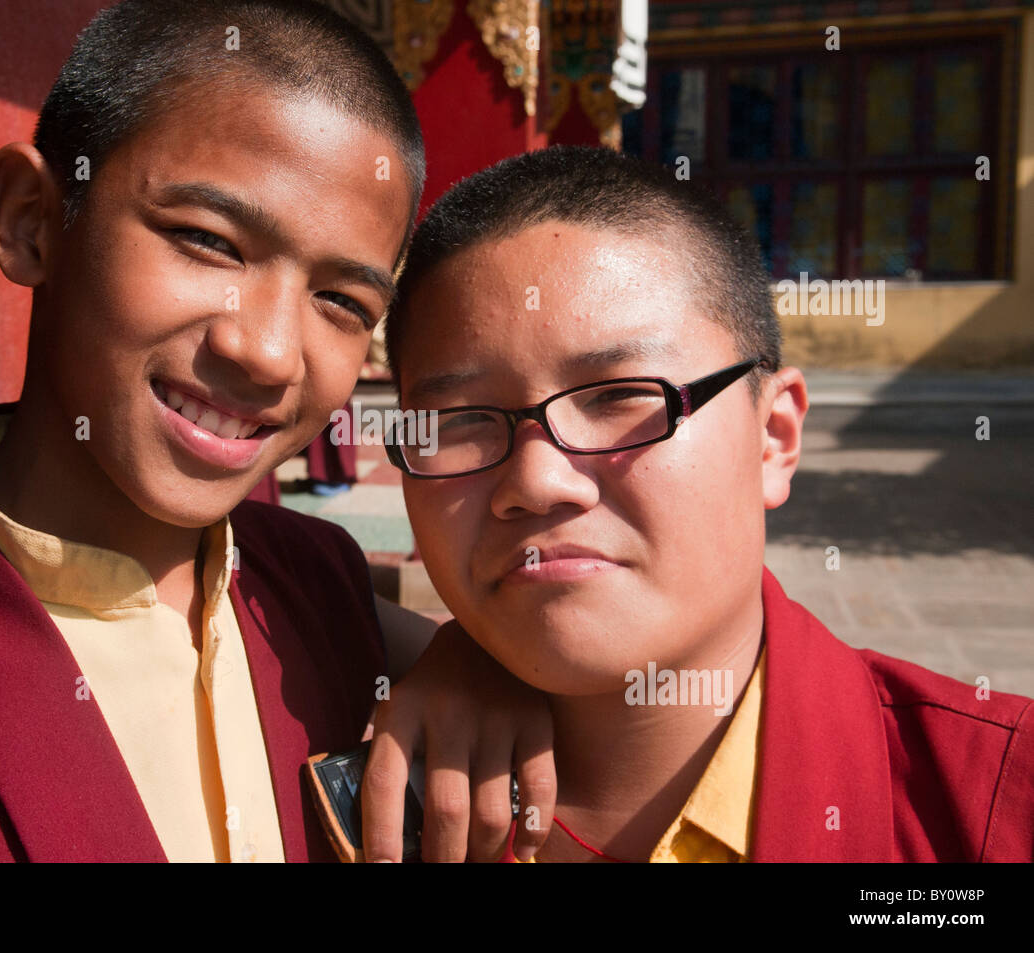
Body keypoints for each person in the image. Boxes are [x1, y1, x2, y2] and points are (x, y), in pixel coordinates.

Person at [0, 0, 551, 863]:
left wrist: (485, 662)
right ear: (30, 218)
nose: (269, 352)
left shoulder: (317, 594)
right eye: (208, 240)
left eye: (342, 302)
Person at [365, 145, 1034, 862]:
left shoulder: (991, 805)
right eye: (458, 419)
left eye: (622, 397)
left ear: (773, 436)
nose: (536, 481)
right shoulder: (338, 781)